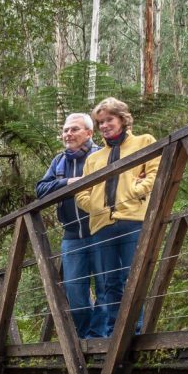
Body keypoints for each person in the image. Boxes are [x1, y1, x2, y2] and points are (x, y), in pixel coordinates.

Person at [75, 97, 161, 336]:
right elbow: (81, 193)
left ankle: (136, 330)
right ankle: (115, 332)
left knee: (134, 275)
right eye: (100, 122)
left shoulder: (144, 142)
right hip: (102, 224)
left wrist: (134, 192)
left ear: (122, 119)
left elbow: (155, 173)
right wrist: (96, 206)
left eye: (109, 120)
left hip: (133, 219)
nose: (104, 125)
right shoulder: (94, 158)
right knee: (109, 282)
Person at [37, 113, 104, 338]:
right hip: (72, 235)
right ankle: (86, 337)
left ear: (89, 133)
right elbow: (41, 190)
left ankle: (100, 337)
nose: (68, 134)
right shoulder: (59, 161)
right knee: (75, 290)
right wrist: (69, 183)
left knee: (106, 285)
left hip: (102, 230)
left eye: (74, 129)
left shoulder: (102, 155)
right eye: (66, 130)